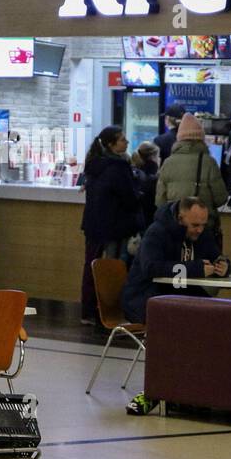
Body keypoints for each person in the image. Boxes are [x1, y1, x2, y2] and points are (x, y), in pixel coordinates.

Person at [121, 196, 228, 326]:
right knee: (195, 319)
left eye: (203, 225)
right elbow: (151, 267)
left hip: (178, 294)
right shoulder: (156, 232)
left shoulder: (201, 233)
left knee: (219, 315)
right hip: (144, 297)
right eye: (195, 225)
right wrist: (195, 269)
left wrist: (224, 266)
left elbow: (216, 256)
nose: (200, 230)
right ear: (180, 218)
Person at [79, 126, 143, 325]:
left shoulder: (93, 165)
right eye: (122, 139)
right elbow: (130, 199)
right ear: (111, 144)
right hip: (114, 226)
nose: (127, 142)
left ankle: (89, 309)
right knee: (111, 269)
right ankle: (107, 310)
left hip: (93, 225)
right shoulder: (118, 168)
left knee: (92, 266)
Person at [155, 114, 228, 239]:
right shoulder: (209, 162)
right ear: (201, 139)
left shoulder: (168, 162)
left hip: (176, 227)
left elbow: (160, 201)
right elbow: (220, 198)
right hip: (202, 229)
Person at [131, 140, 160, 230]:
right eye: (158, 156)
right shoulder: (153, 179)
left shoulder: (134, 172)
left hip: (135, 222)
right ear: (152, 157)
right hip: (149, 222)